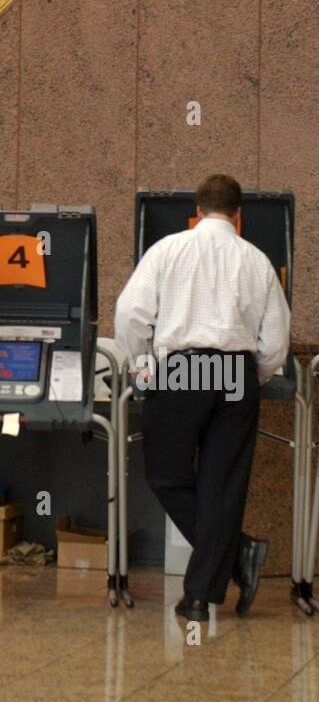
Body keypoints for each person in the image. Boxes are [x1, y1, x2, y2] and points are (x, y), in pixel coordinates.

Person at [114, 174, 291, 622]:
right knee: (222, 486)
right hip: (237, 371)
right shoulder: (257, 260)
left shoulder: (168, 250)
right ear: (239, 214)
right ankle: (201, 597)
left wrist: (141, 367)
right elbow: (275, 342)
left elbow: (130, 314)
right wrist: (255, 375)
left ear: (197, 210)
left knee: (167, 476)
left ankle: (237, 557)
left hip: (182, 368)